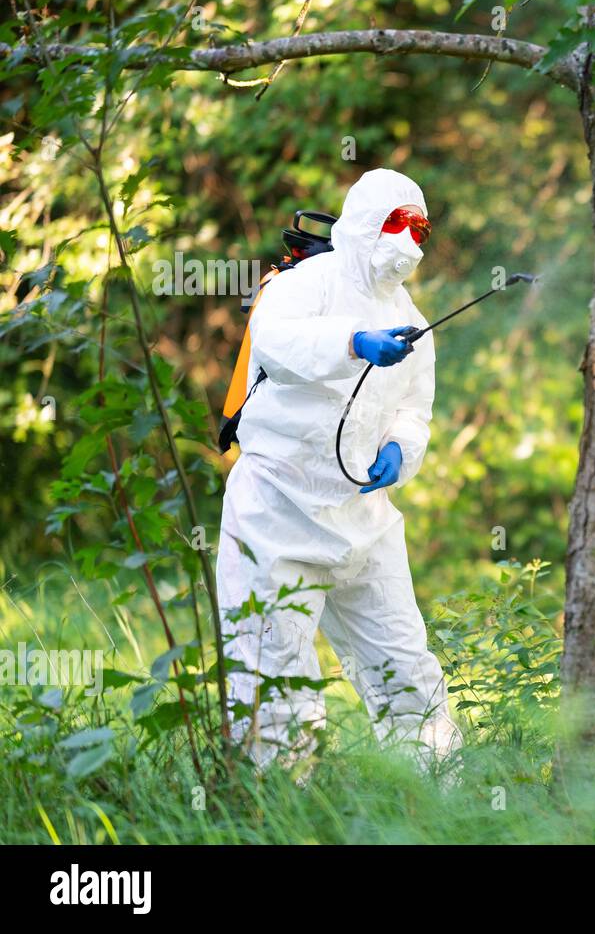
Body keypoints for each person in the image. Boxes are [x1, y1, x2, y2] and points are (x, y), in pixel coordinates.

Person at [216, 167, 462, 774]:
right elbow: (275, 341)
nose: (409, 240)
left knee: (404, 668)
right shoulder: (305, 283)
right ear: (361, 224)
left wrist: (403, 450)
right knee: (273, 675)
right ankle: (277, 811)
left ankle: (440, 802)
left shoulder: (413, 321)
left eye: (420, 228)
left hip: (364, 521)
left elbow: (414, 409)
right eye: (396, 223)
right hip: (278, 511)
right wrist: (355, 341)